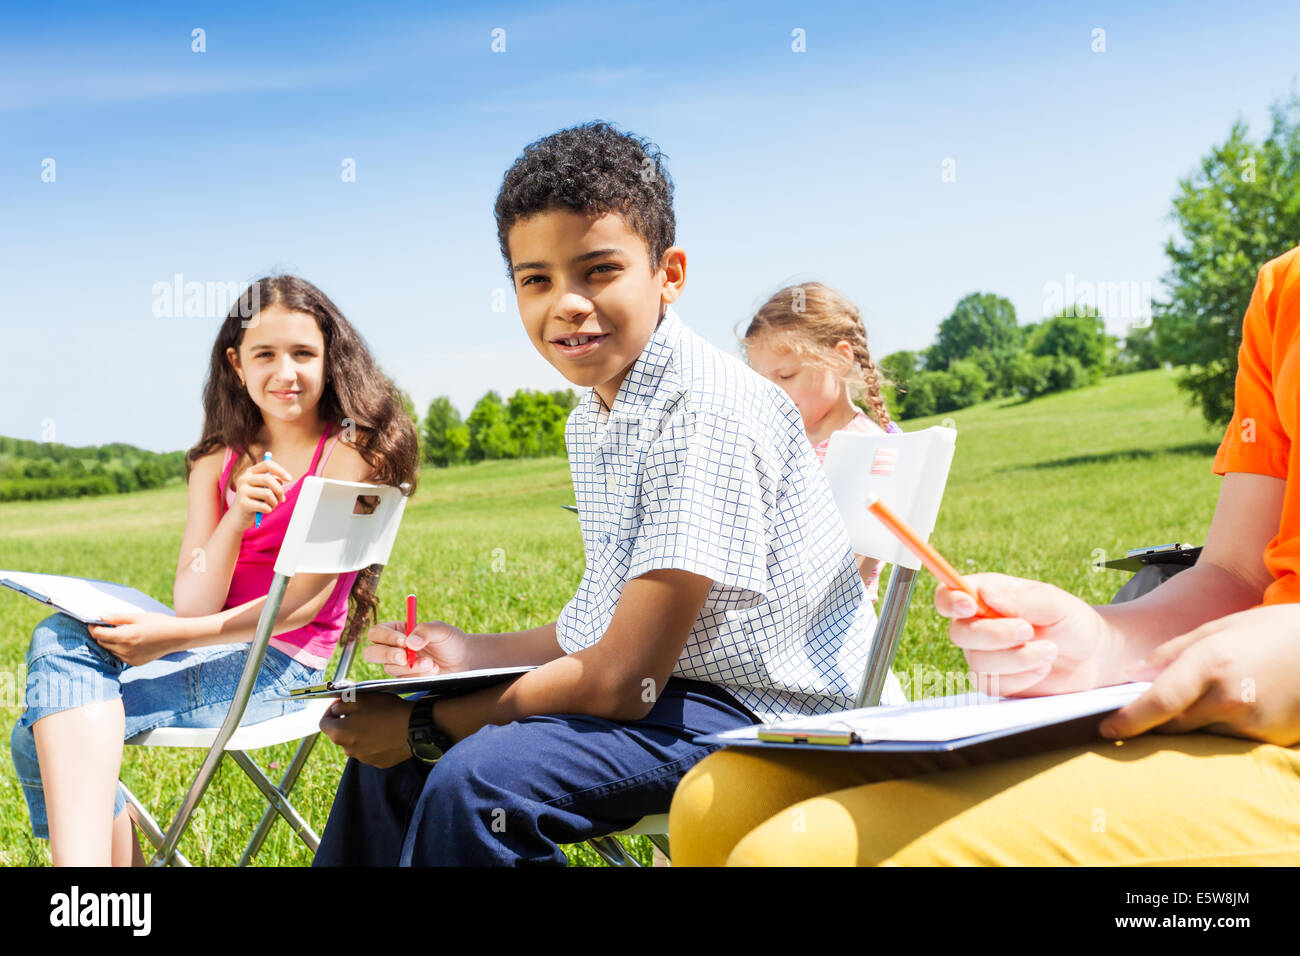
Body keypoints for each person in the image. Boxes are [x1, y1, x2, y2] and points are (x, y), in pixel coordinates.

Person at [310, 121, 891, 866]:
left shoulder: (703, 408)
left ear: (668, 274)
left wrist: (434, 727)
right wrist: (464, 655)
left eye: (599, 270)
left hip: (770, 719)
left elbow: (623, 679)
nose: (568, 304)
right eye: (537, 279)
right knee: (386, 766)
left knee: (476, 783)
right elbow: (605, 635)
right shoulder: (598, 415)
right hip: (677, 694)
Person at [668, 246, 1300, 866]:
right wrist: (1105, 642)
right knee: (716, 804)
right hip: (1236, 704)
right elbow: (1238, 573)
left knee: (800, 853)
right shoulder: (1281, 290)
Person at [9, 275, 419, 866]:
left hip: (284, 669)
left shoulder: (350, 452)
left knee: (41, 733)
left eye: (304, 353)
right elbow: (195, 600)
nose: (287, 373)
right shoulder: (214, 460)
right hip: (210, 646)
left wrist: (168, 639)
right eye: (265, 355)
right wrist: (234, 517)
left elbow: (300, 605)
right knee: (58, 638)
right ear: (236, 364)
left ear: (330, 357)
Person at [742, 281, 902, 605]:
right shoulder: (779, 440)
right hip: (772, 615)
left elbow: (853, 567)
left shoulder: (865, 448)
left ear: (840, 359)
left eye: (785, 376)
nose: (771, 393)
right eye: (761, 380)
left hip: (828, 627)